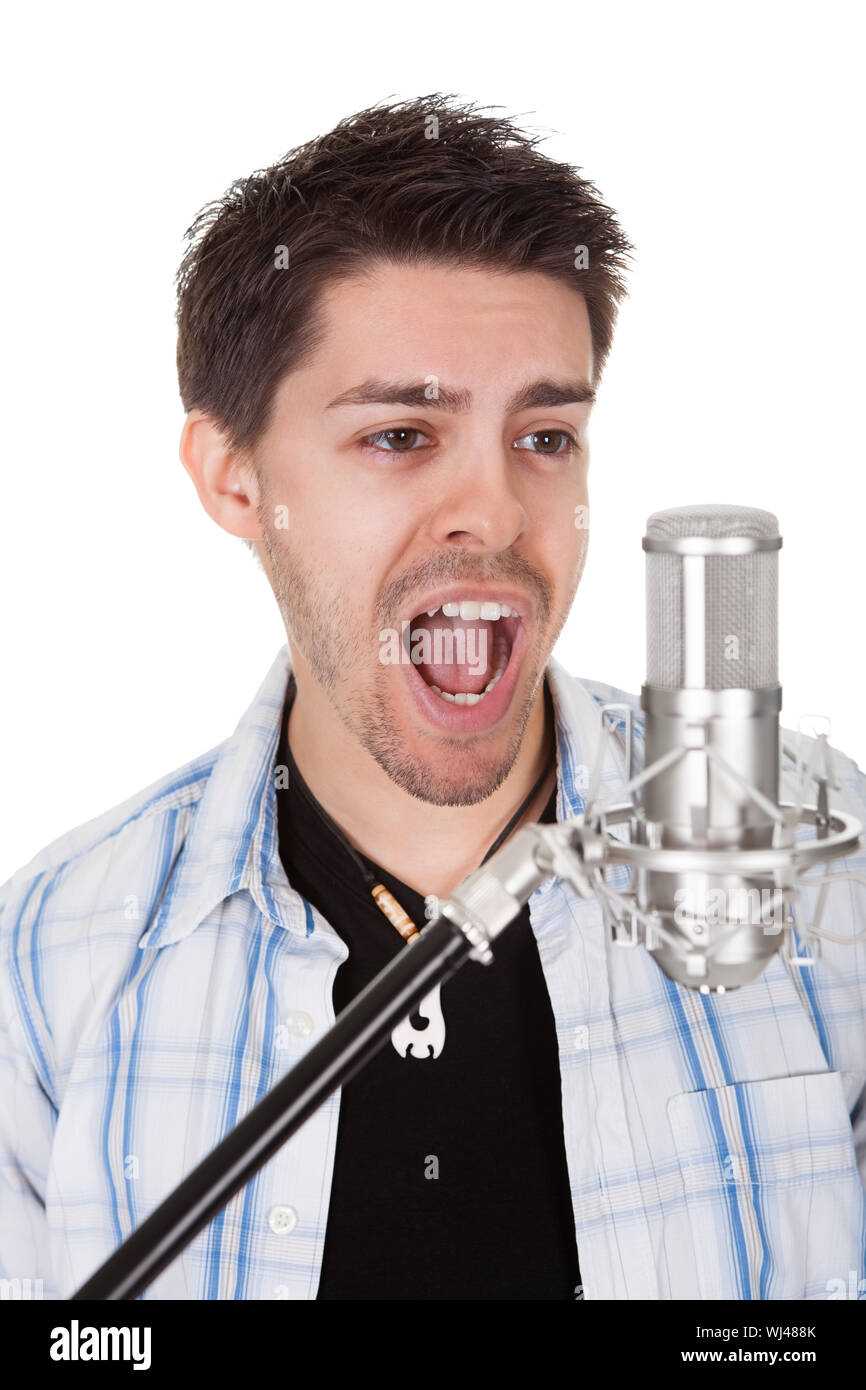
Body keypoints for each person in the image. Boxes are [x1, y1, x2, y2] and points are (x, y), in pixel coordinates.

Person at [2, 95, 864, 1302]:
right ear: (236, 480)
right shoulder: (51, 962)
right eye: (402, 434)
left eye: (545, 435)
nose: (499, 513)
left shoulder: (822, 867)